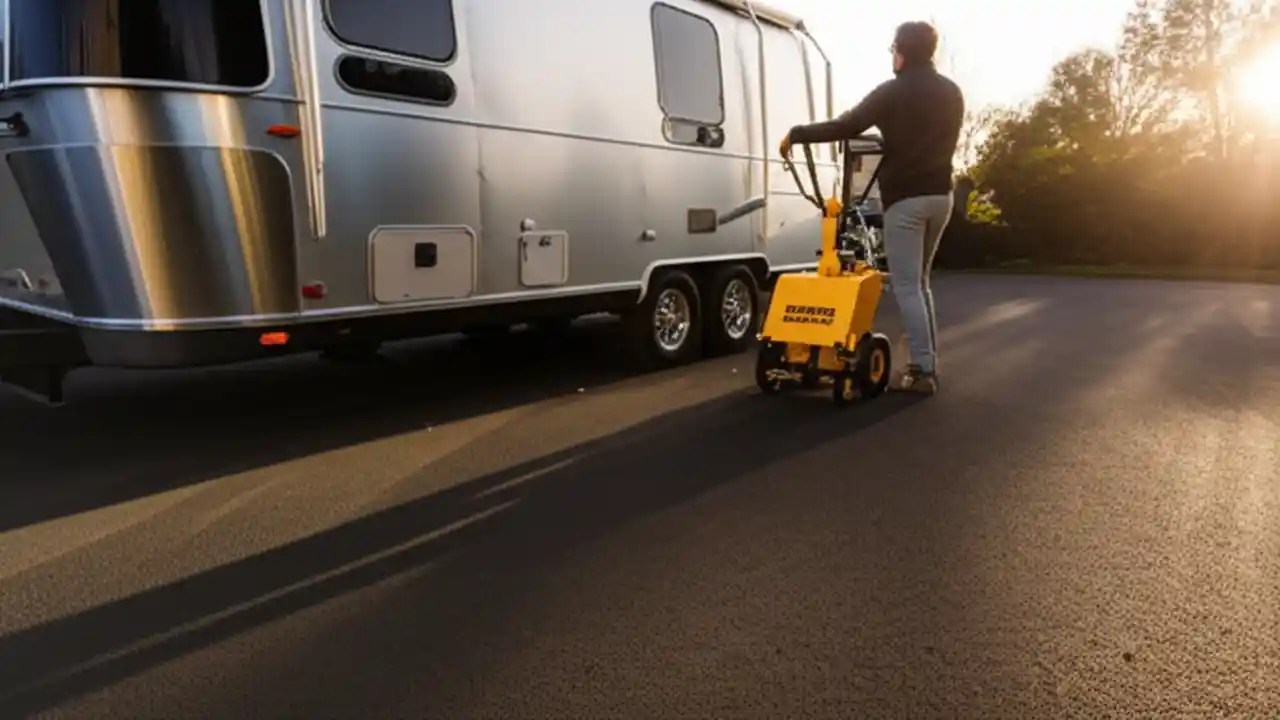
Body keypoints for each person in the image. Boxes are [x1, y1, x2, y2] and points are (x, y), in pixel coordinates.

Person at [780, 21, 965, 396]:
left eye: (893, 50)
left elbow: (847, 124)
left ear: (901, 51)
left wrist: (797, 133)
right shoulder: (952, 92)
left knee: (906, 286)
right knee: (921, 283)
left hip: (906, 202)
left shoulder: (892, 93)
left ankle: (923, 371)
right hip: (940, 197)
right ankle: (927, 362)